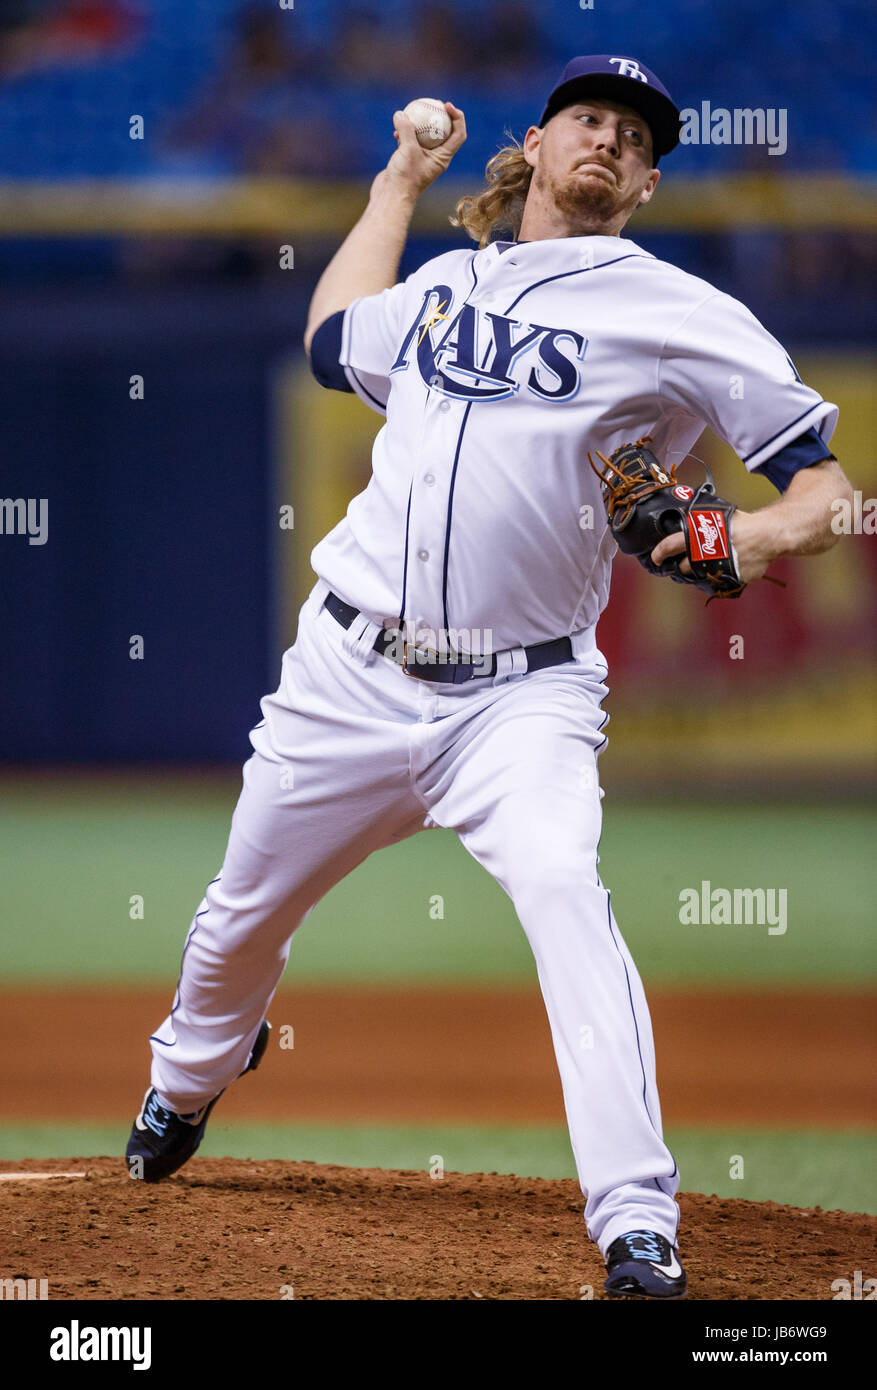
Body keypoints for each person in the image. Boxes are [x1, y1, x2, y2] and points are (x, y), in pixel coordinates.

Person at [127, 55, 852, 1300]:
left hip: (521, 701)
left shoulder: (675, 310)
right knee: (232, 926)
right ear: (539, 139)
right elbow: (326, 336)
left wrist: (746, 535)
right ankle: (191, 1073)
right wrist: (399, 178)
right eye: (590, 118)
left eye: (635, 136)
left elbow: (830, 494)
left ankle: (636, 1223)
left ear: (648, 179)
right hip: (347, 674)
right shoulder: (447, 284)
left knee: (567, 893)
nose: (610, 141)